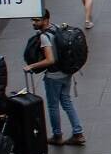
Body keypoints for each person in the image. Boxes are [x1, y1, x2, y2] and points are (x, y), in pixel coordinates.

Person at [25, 11, 86, 146]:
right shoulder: (57, 28)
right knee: (66, 102)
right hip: (66, 72)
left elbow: (50, 60)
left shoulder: (45, 37)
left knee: (53, 106)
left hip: (54, 76)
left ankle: (57, 135)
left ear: (46, 20)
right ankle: (78, 133)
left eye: (37, 20)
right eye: (33, 20)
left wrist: (31, 66)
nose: (34, 23)